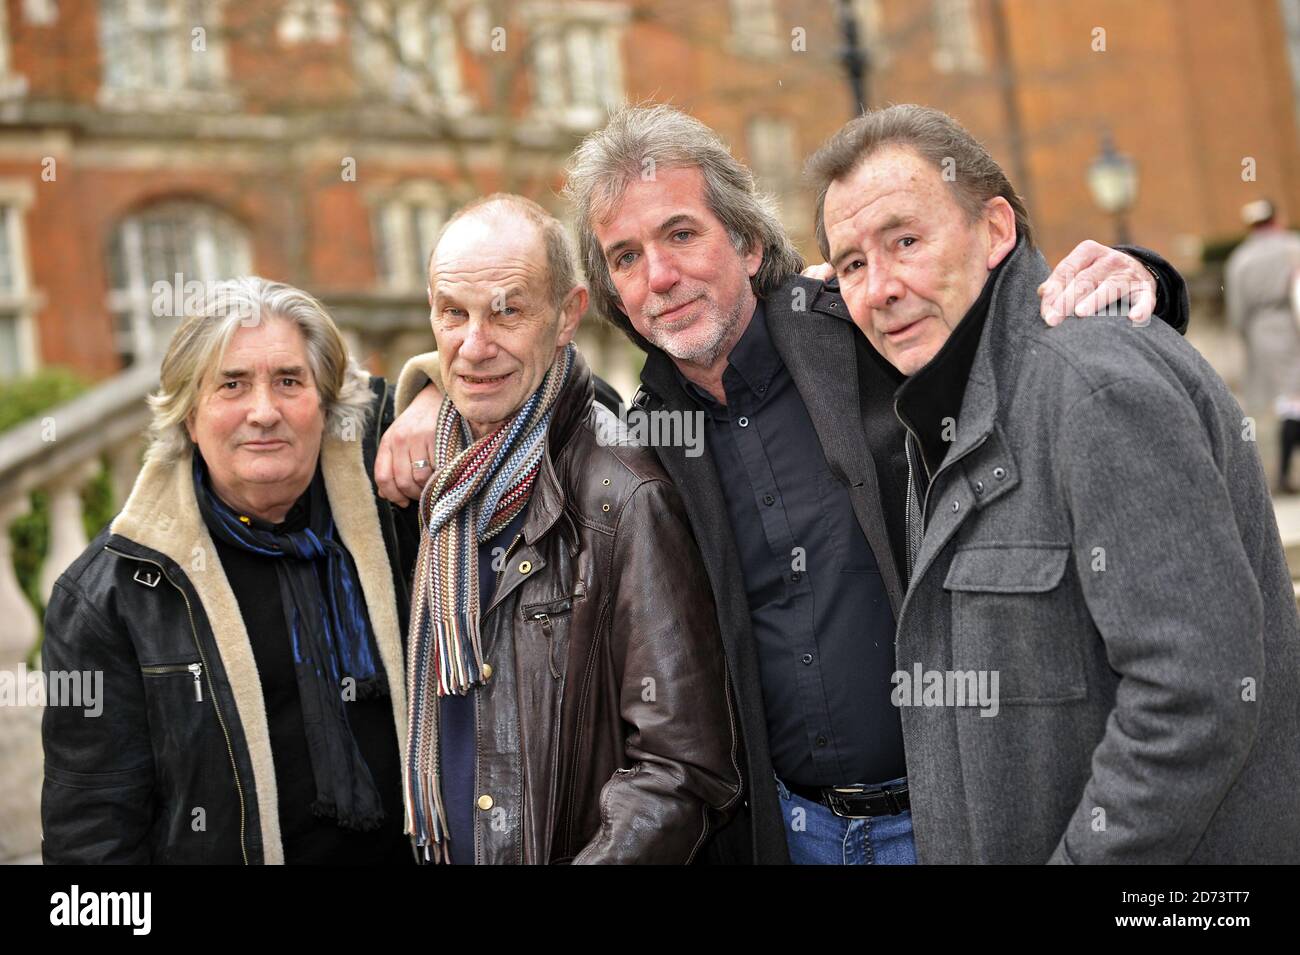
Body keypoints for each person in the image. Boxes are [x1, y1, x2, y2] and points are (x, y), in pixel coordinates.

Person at [380, 105, 1189, 865]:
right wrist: (429, 391)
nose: (659, 275)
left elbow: (991, 315)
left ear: (749, 245)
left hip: (958, 816)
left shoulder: (865, 337)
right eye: (627, 257)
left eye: (682, 234)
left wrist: (1136, 277)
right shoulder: (649, 433)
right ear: (612, 297)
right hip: (791, 830)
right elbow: (544, 402)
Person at [810, 104, 1300, 863]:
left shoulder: (1090, 387)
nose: (880, 287)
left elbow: (1196, 696)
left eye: (906, 240)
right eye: (851, 265)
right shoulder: (943, 405)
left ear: (996, 230)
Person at [396, 193, 739, 864]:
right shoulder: (438, 485)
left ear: (567, 315)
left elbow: (680, 767)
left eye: (508, 310)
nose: (473, 344)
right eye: (452, 313)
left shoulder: (626, 495)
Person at [42, 278, 418, 864]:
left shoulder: (393, 507)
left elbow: (548, 398)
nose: (263, 412)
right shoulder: (111, 595)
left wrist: (434, 392)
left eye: (289, 382)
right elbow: (92, 833)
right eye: (232, 385)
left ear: (326, 407)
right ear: (189, 416)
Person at [1225, 198, 1300, 491]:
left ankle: (1283, 470)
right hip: (1291, 324)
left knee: (1284, 403)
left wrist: (1246, 336)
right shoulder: (1293, 246)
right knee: (1293, 400)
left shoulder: (1240, 259)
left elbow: (1237, 310)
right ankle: (1284, 470)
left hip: (1260, 333)